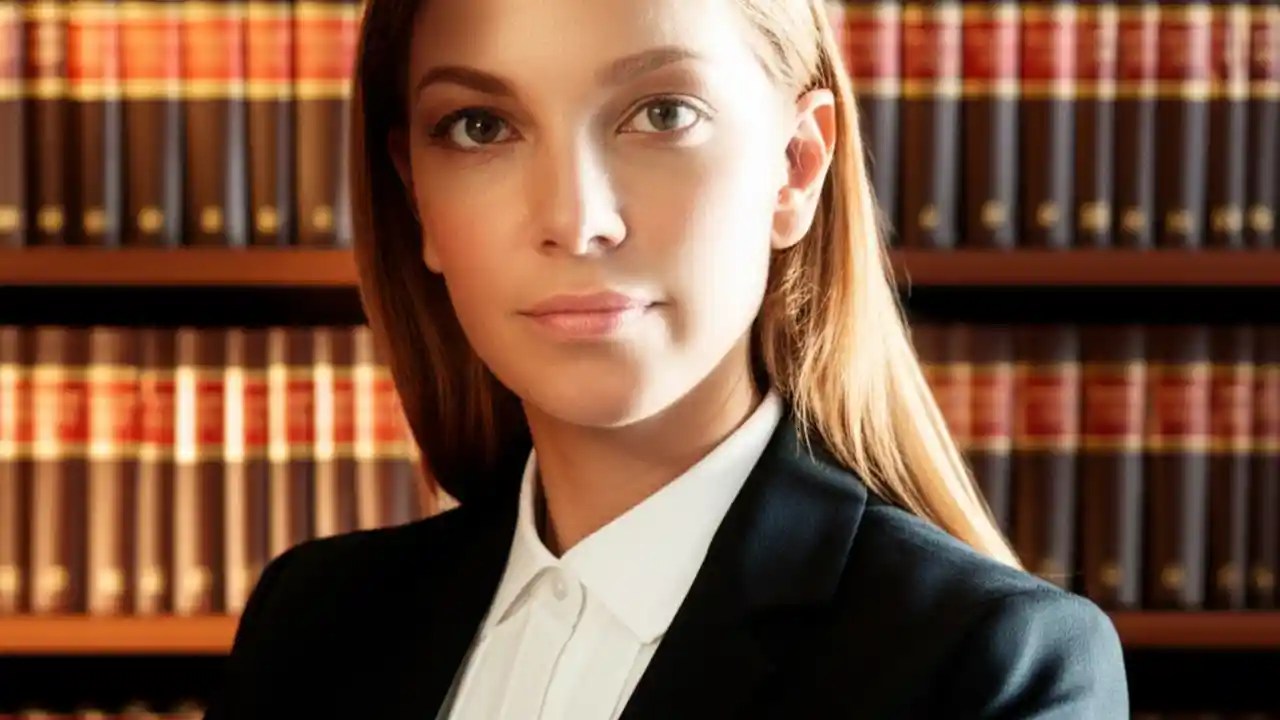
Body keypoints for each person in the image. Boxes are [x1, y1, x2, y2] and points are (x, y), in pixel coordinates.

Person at [204, 0, 1129, 717]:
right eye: (481, 127)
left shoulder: (986, 664)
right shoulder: (315, 624)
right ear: (418, 200)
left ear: (796, 168)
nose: (575, 220)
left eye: (661, 112)